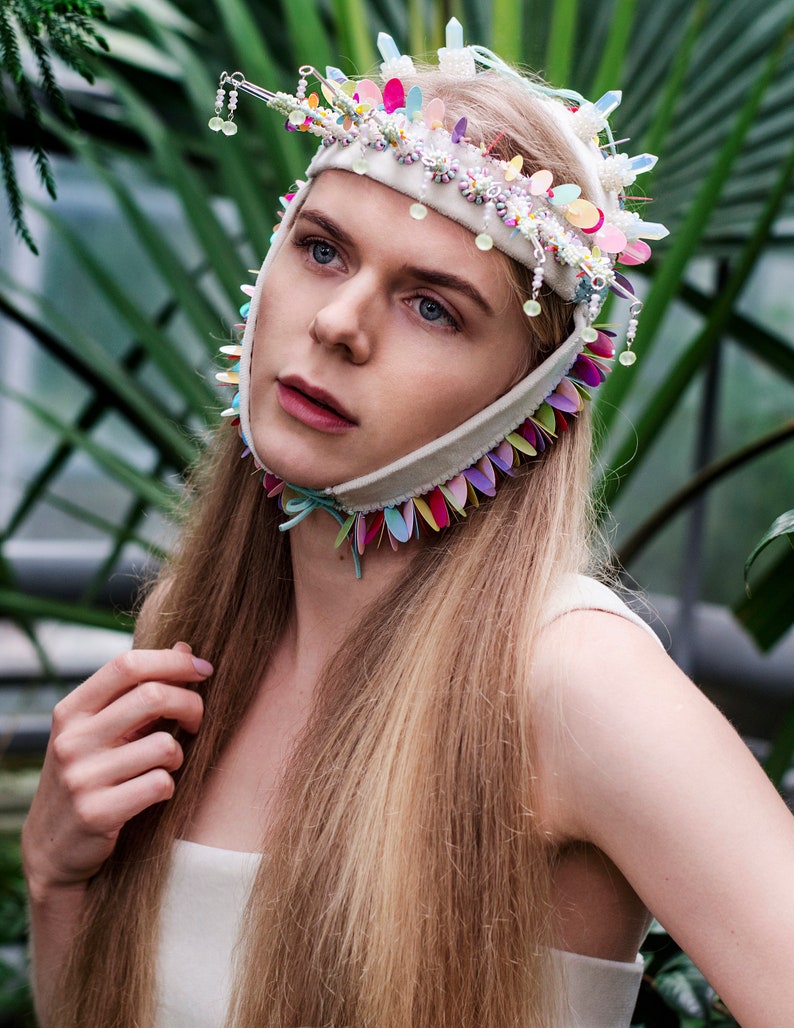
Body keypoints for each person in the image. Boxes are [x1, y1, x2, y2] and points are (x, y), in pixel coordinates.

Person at [21, 21, 794, 1028]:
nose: (337, 322)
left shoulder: (567, 680)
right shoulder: (191, 633)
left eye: (433, 306)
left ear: (529, 394)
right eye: (322, 249)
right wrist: (57, 880)